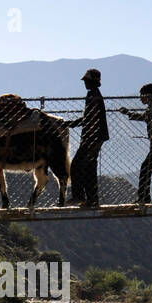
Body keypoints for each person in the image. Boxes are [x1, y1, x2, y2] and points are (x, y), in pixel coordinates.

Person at [66, 67, 108, 209]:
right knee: (90, 167)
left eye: (87, 81)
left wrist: (75, 125)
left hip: (92, 137)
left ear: (92, 82)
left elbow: (90, 117)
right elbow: (89, 117)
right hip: (97, 136)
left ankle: (79, 195)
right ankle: (92, 200)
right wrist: (74, 123)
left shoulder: (93, 96)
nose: (85, 83)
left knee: (76, 165)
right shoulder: (94, 94)